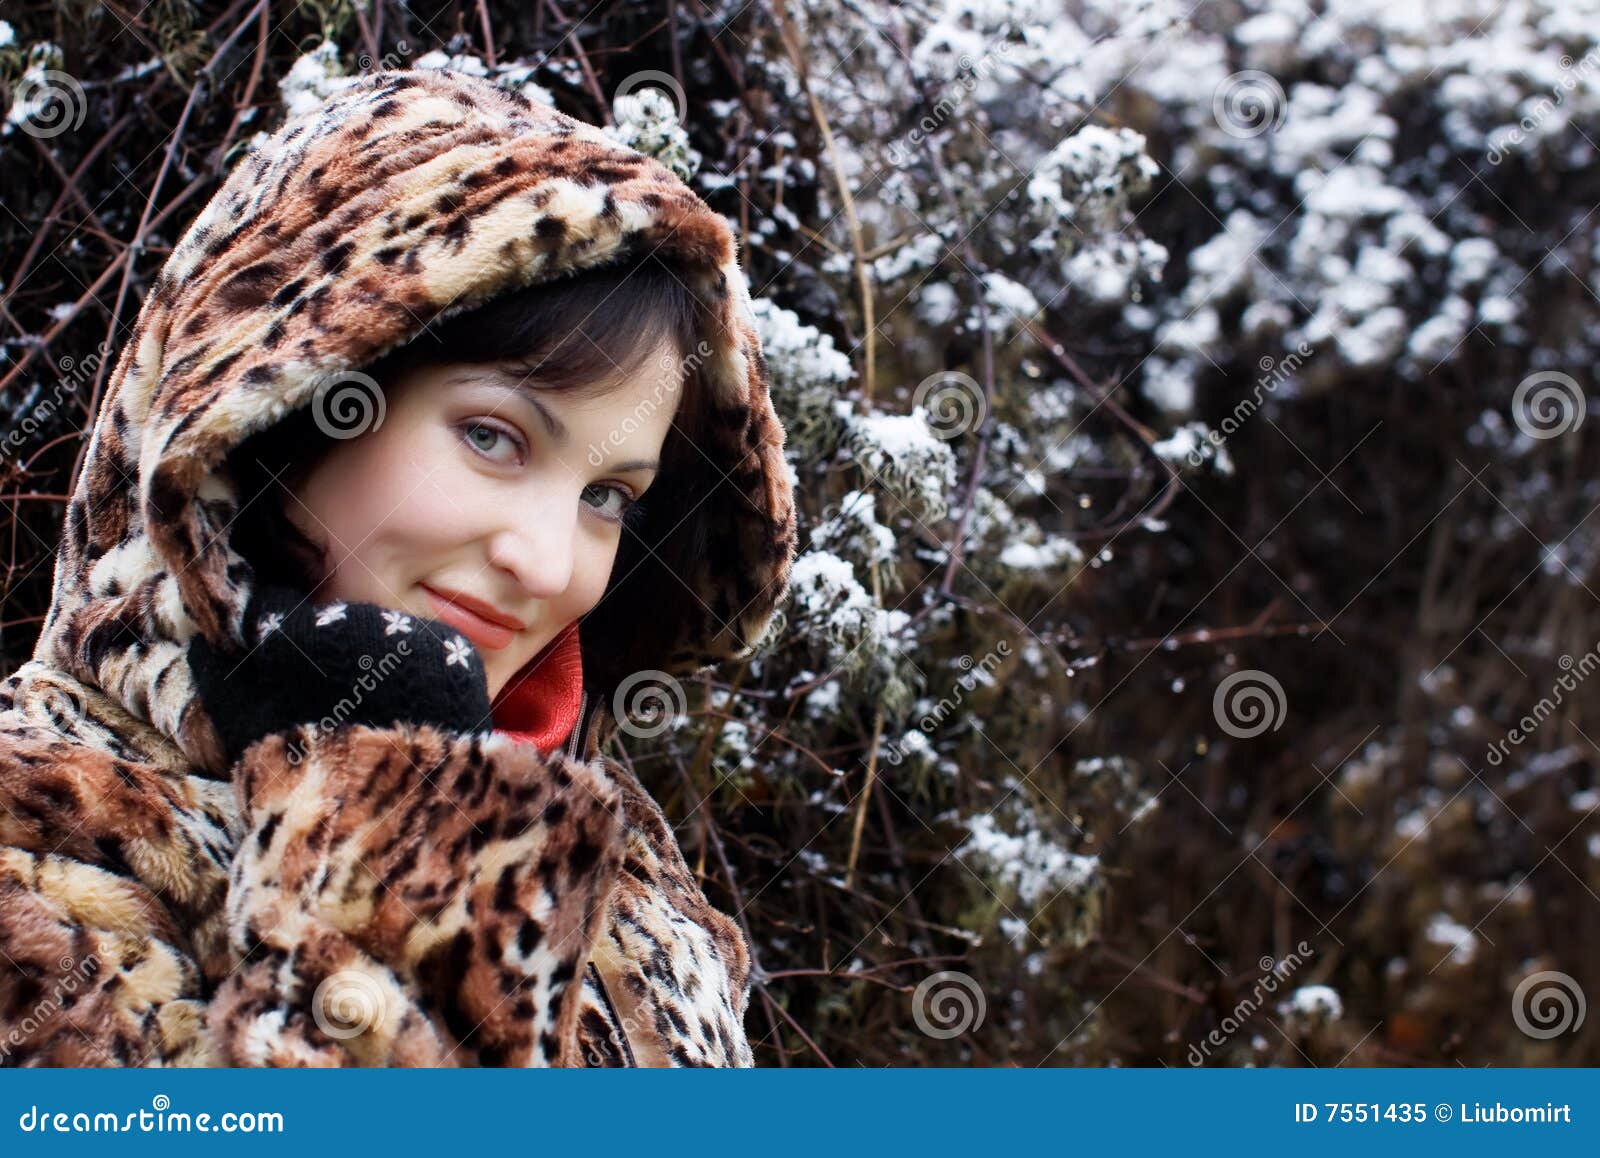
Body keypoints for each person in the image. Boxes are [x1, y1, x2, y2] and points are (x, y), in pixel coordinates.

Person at [0, 67, 797, 1068]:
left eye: (609, 498)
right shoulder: (45, 836)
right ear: (286, 407)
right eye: (494, 437)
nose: (547, 563)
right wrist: (418, 837)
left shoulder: (623, 875)